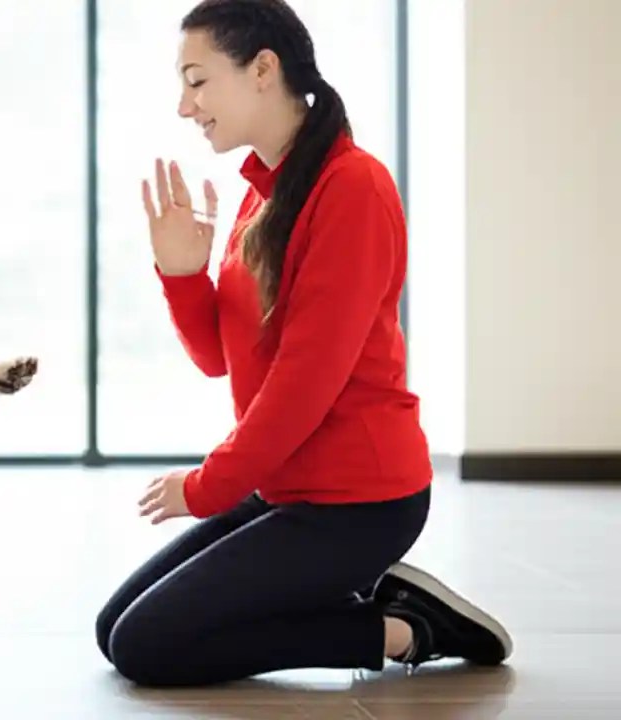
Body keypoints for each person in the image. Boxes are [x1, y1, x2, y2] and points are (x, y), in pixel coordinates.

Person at [95, 0, 512, 687]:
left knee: (147, 646)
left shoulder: (352, 187)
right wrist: (181, 274)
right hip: (287, 488)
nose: (184, 105)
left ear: (263, 69)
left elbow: (303, 387)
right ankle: (351, 597)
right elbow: (218, 359)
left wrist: (204, 488)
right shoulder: (264, 193)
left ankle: (406, 629)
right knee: (115, 629)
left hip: (360, 502)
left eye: (197, 80)